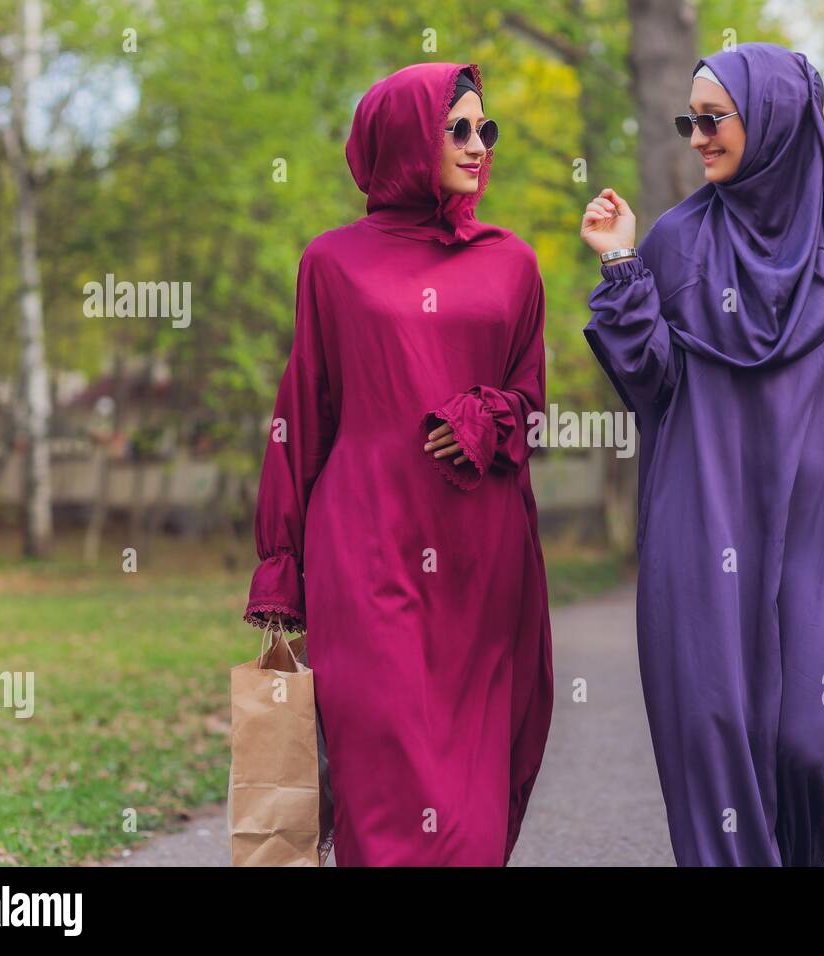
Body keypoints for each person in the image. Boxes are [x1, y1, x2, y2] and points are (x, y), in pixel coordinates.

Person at [580, 43, 824, 866]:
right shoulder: (676, 244)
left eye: (713, 118)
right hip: (700, 523)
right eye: (687, 120)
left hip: (813, 532)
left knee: (803, 743)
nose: (696, 136)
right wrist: (622, 263)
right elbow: (648, 380)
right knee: (717, 735)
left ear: (774, 120)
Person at [244, 62, 553, 866]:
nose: (477, 144)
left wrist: (487, 413)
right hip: (366, 548)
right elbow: (300, 414)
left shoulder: (513, 262)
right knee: (384, 785)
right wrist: (281, 566)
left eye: (487, 129)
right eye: (458, 128)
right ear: (405, 138)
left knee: (473, 819)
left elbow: (530, 400)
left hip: (483, 561)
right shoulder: (332, 263)